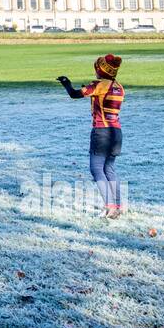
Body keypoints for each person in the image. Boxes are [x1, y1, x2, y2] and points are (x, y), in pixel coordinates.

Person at [57, 54, 125, 218]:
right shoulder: (120, 87)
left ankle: (110, 208)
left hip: (102, 132)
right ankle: (118, 205)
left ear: (100, 70)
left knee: (96, 169)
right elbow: (104, 100)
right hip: (116, 133)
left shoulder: (99, 85)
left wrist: (66, 83)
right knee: (109, 168)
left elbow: (74, 94)